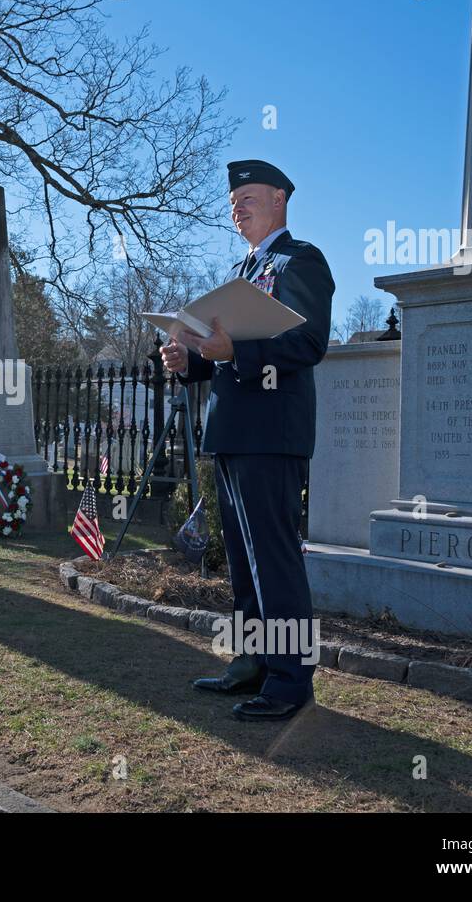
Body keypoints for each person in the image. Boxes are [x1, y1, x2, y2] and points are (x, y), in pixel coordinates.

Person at [160, 159, 334, 722]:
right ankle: (252, 662)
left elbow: (307, 344)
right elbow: (224, 359)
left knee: (275, 559)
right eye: (233, 203)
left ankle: (289, 681)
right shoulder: (244, 268)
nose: (238, 208)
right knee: (241, 558)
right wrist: (186, 360)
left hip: (272, 433)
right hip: (233, 432)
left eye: (249, 198)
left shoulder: (300, 260)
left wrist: (234, 351)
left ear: (281, 199)